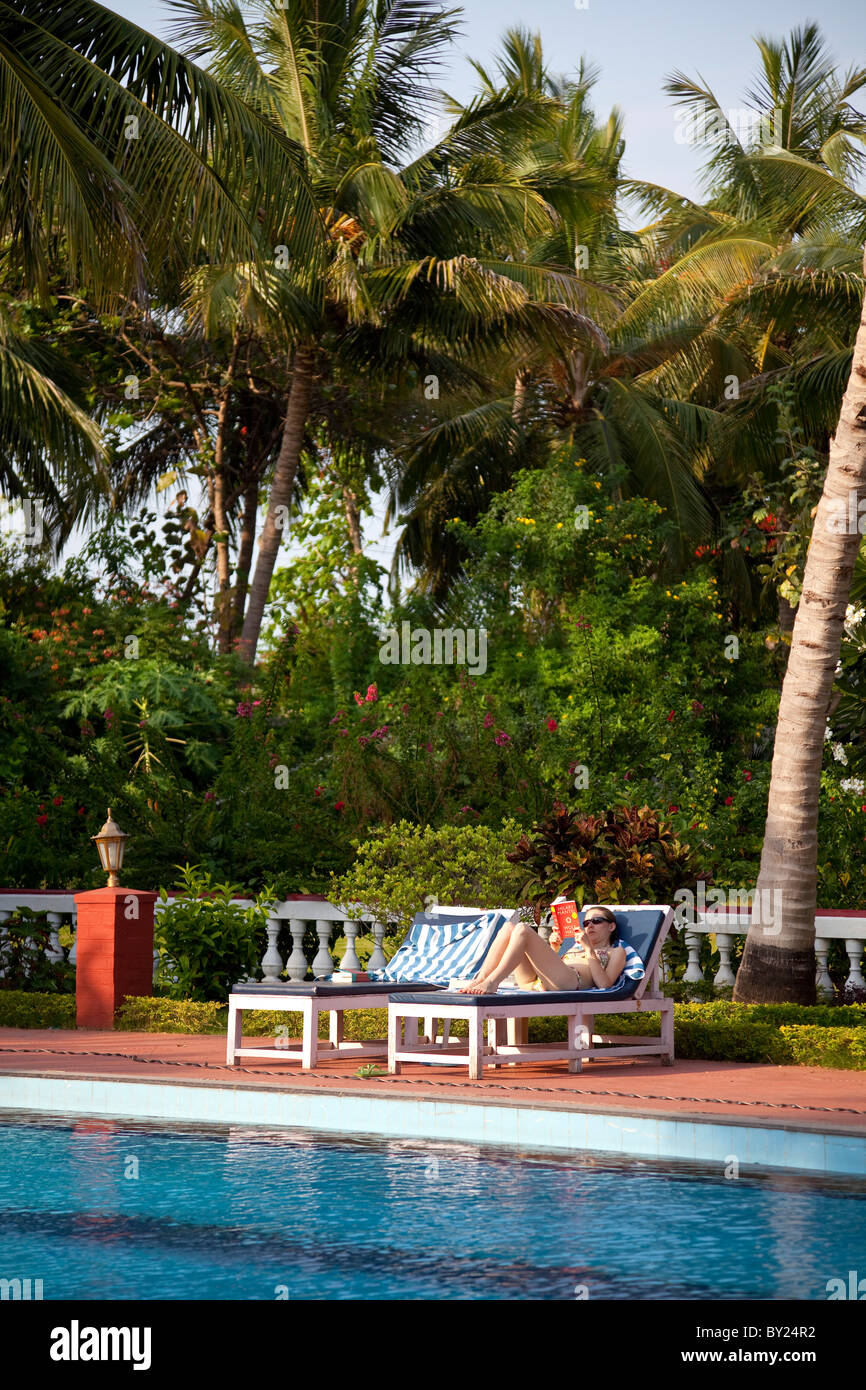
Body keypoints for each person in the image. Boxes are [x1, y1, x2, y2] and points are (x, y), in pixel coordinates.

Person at [458, 904, 634, 995]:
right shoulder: (575, 945)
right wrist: (554, 949)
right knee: (509, 928)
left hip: (573, 982)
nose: (590, 926)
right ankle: (481, 978)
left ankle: (492, 982)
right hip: (535, 983)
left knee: (523, 929)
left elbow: (605, 985)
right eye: (586, 922)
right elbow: (551, 968)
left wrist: (588, 948)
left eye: (597, 921)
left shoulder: (616, 951)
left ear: (611, 927)